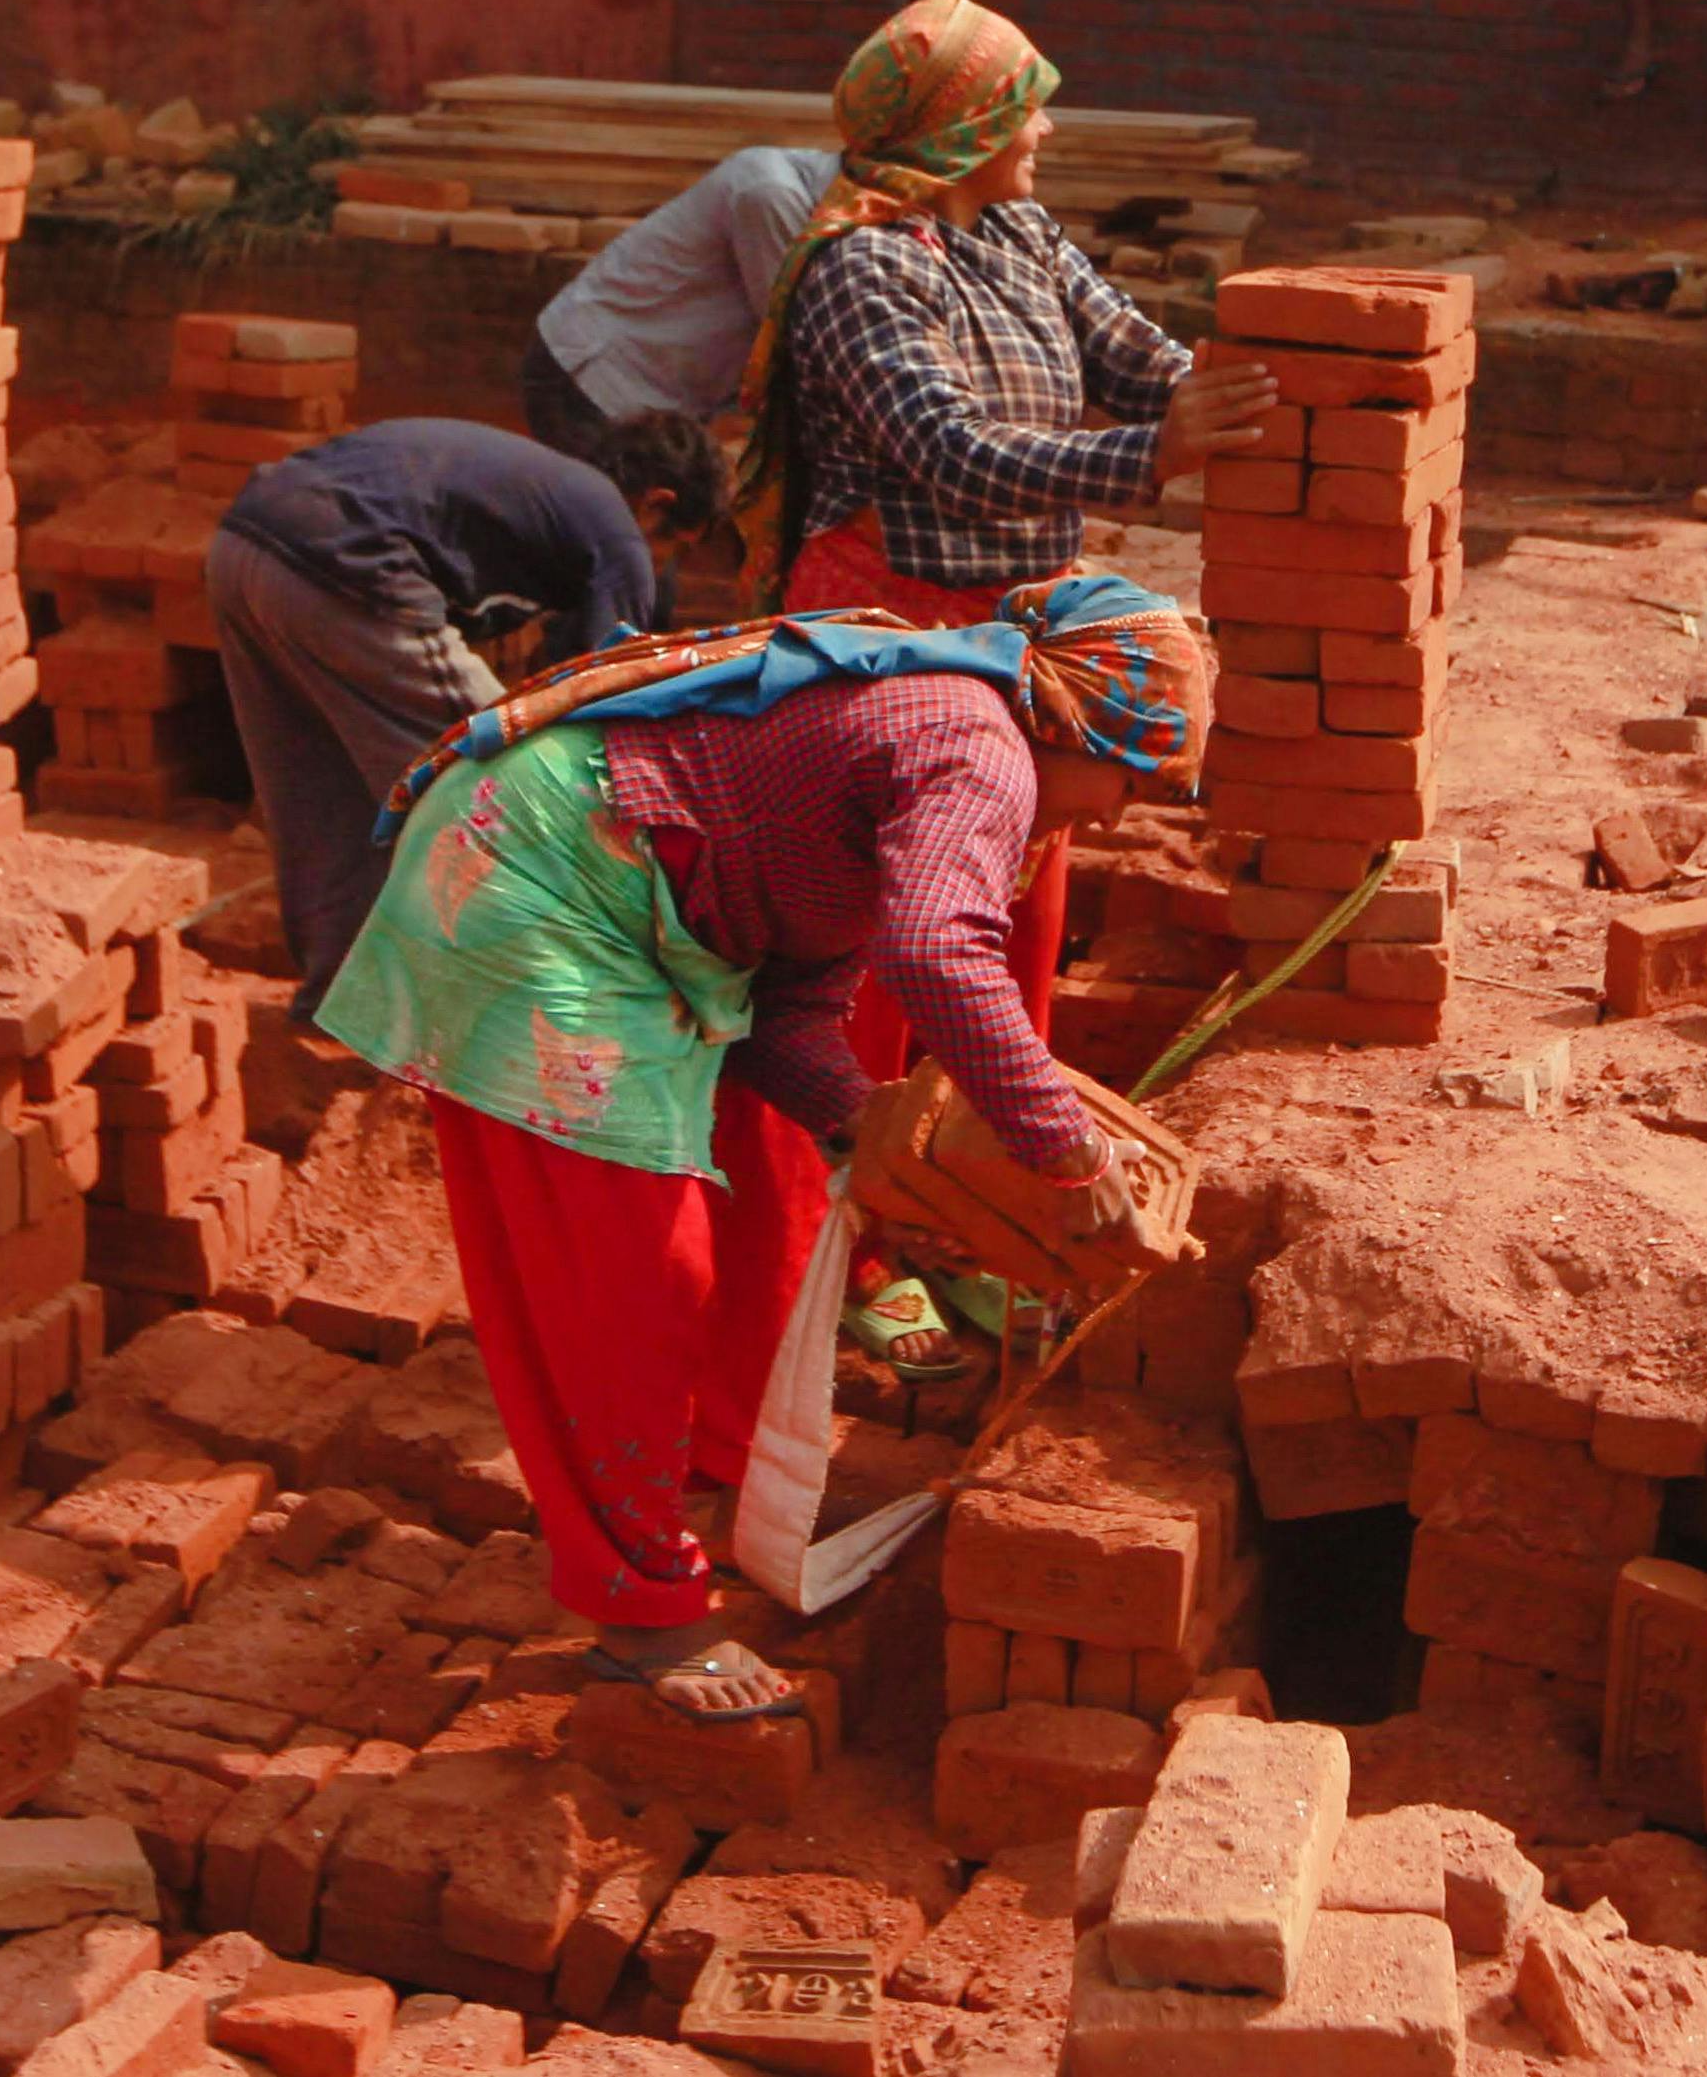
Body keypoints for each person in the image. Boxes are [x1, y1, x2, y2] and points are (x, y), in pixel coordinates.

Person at [318, 572, 1211, 1719]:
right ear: (1079, 721)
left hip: (601, 885)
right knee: (639, 1273)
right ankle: (646, 1620)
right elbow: (938, 953)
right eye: (1132, 782)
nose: (1114, 817)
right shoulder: (982, 743)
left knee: (659, 1252)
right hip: (539, 883)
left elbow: (790, 1008)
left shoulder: (943, 720)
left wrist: (873, 1135)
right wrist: (1068, 1155)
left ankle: (668, 1504)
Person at [741, 0, 1278, 1059]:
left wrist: (1266, 389)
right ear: (964, 128)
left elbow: (1130, 356)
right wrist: (1155, 453)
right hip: (889, 641)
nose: (1045, 130)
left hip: (1028, 647)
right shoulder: (860, 267)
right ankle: (863, 1178)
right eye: (1026, 106)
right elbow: (953, 451)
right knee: (896, 928)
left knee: (1009, 928)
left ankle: (979, 1173)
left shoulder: (1018, 232)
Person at [205, 409, 725, 1008]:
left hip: (242, 544)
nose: (661, 567)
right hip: (348, 562)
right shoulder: (617, 529)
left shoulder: (547, 493)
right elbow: (610, 698)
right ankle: (547, 1011)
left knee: (323, 797)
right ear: (657, 502)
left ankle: (339, 1004)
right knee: (513, 784)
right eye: (672, 547)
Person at [522, 143, 837, 451]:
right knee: (627, 502)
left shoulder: (836, 214)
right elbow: (807, 347)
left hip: (654, 393)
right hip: (595, 382)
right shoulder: (768, 194)